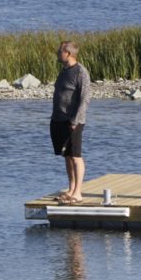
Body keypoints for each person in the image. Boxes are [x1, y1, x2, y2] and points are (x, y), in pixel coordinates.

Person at [51, 41, 91, 205]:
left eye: (60, 51)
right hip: (58, 119)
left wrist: (76, 120)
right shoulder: (64, 71)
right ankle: (71, 189)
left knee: (75, 156)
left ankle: (78, 193)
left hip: (73, 121)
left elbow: (85, 98)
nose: (57, 54)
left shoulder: (80, 71)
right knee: (66, 156)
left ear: (68, 53)